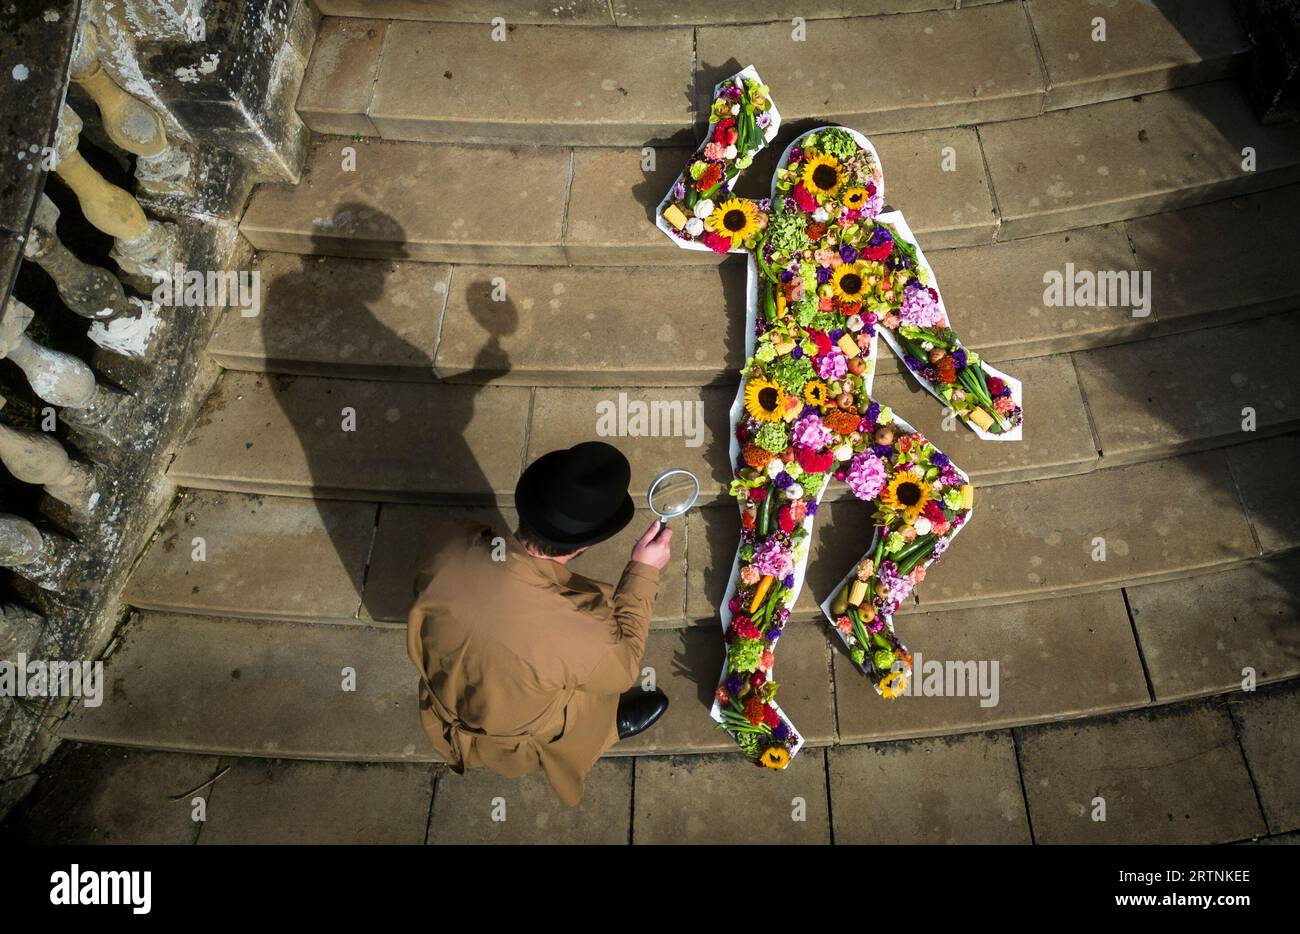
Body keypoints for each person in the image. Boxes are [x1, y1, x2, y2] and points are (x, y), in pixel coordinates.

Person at [406, 441, 672, 806]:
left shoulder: (447, 540)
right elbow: (624, 670)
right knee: (585, 701)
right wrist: (644, 570)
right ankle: (608, 728)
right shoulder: (580, 636)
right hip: (519, 728)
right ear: (583, 548)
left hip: (445, 695)